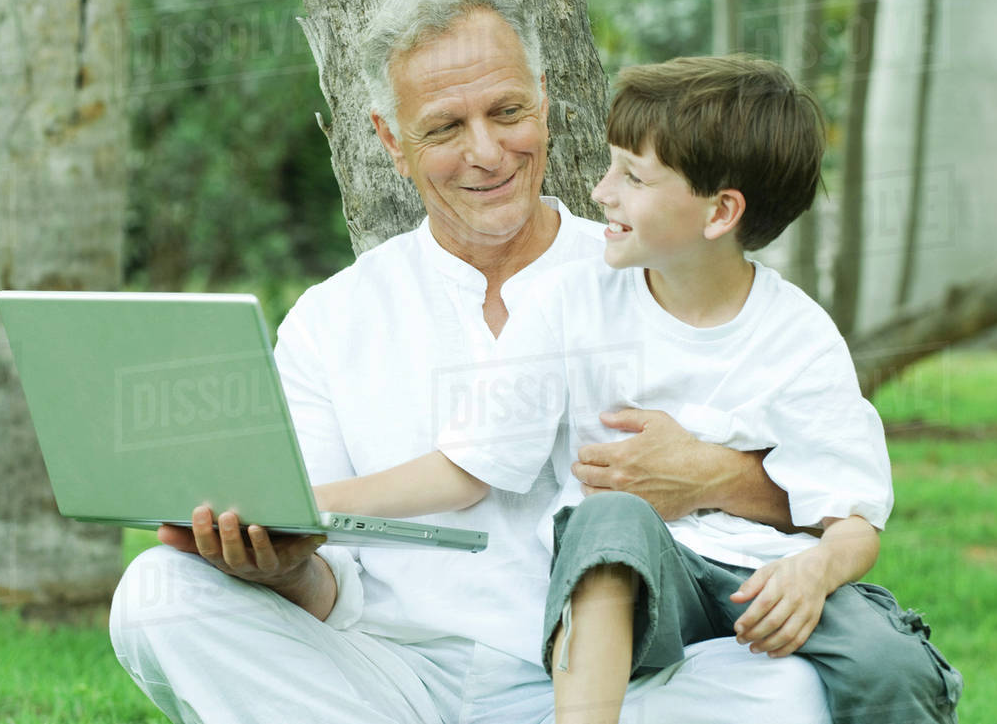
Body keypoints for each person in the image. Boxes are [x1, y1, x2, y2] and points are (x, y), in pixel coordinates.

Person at [109, 0, 833, 723]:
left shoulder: (661, 274)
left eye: (508, 111)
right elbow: (327, 577)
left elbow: (834, 492)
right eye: (446, 127)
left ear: (545, 100)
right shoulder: (332, 320)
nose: (486, 152)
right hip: (389, 678)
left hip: (613, 683)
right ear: (391, 141)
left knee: (786, 691)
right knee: (157, 595)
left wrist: (716, 475)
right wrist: (285, 564)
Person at [312, 56, 963, 724]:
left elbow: (853, 522)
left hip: (764, 576)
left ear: (719, 212)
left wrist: (817, 570)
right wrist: (313, 502)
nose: (601, 192)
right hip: (637, 578)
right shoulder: (571, 302)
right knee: (609, 515)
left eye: (632, 176)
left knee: (896, 667)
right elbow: (468, 467)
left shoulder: (798, 336)